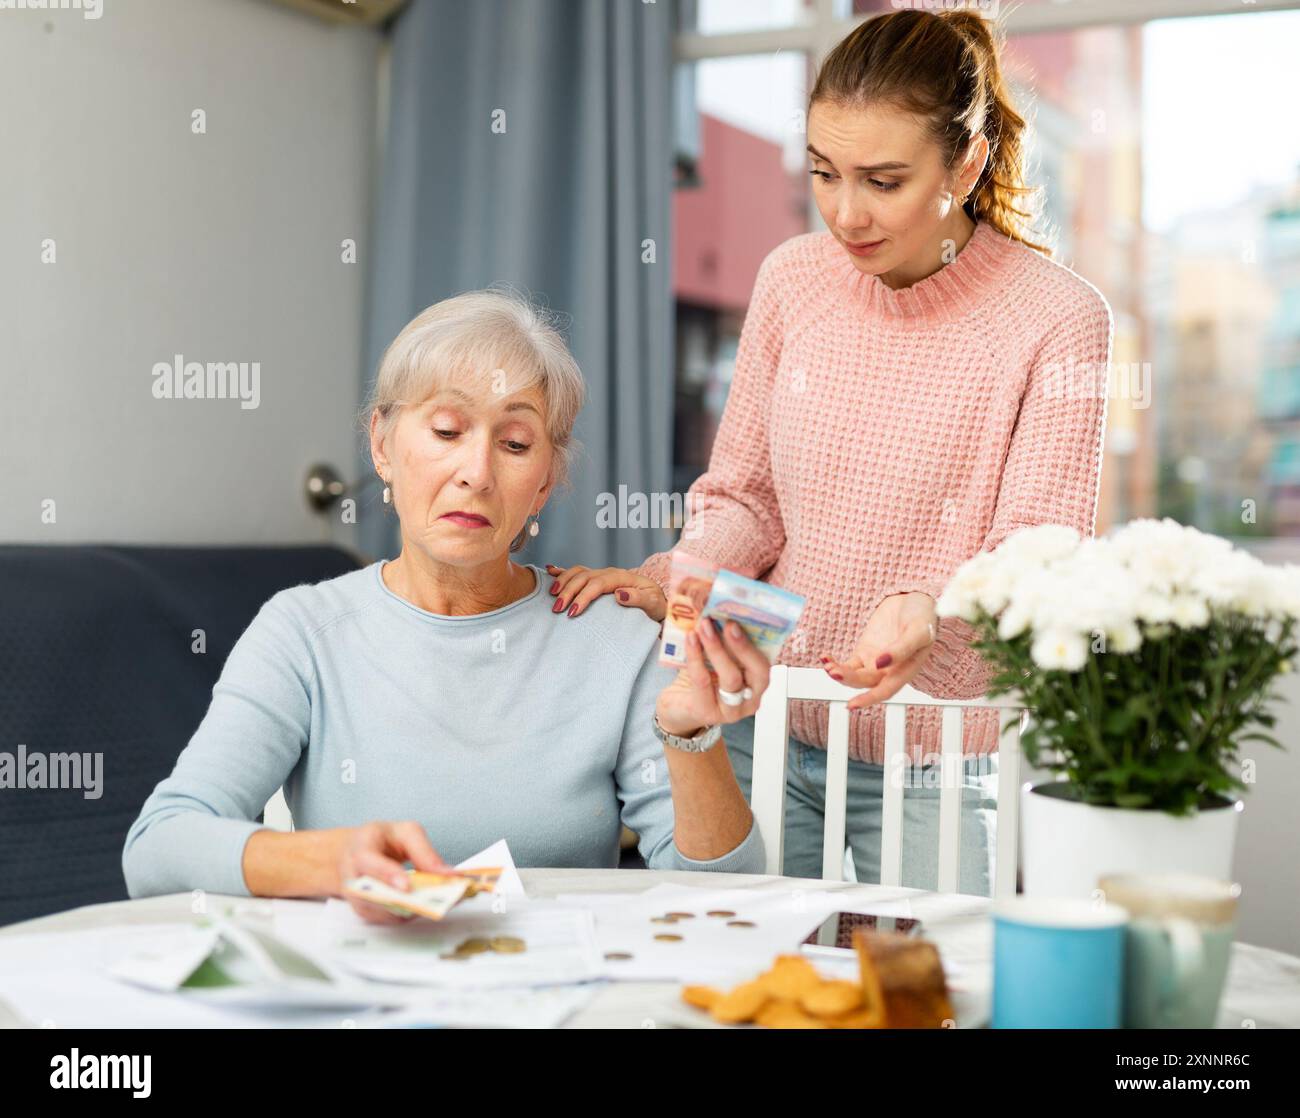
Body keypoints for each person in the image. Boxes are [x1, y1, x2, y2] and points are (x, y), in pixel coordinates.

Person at [546, 10, 1113, 893]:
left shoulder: (1058, 319)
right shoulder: (792, 279)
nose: (847, 213)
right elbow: (747, 499)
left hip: (931, 749)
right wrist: (675, 582)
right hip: (761, 721)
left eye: (884, 181)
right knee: (743, 987)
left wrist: (931, 609)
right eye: (823, 173)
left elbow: (1039, 553)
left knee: (930, 999)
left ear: (965, 164)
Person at [123, 289, 768, 922]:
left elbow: (725, 904)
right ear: (382, 443)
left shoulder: (616, 641)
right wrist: (325, 862)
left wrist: (691, 736)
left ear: (545, 480)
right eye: (447, 430)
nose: (477, 472)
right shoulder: (303, 632)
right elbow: (158, 848)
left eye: (515, 444)